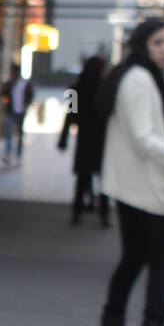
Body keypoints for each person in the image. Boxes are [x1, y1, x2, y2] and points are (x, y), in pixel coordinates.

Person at [98, 17, 164, 326]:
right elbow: (144, 138)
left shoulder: (134, 74)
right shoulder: (140, 80)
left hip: (133, 188)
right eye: (158, 42)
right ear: (143, 44)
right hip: (148, 191)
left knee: (134, 260)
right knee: (161, 266)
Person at [57, 55, 110, 225]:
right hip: (102, 139)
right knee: (104, 180)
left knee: (82, 177)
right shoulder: (106, 88)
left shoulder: (75, 89)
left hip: (85, 139)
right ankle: (104, 215)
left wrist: (63, 138)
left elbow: (69, 115)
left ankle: (77, 213)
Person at [0, 62, 34, 165]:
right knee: (9, 134)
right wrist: (6, 101)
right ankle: (8, 154)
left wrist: (25, 106)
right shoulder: (9, 84)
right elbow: (3, 94)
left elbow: (30, 96)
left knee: (19, 134)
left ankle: (18, 155)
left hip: (21, 112)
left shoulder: (24, 84)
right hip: (10, 111)